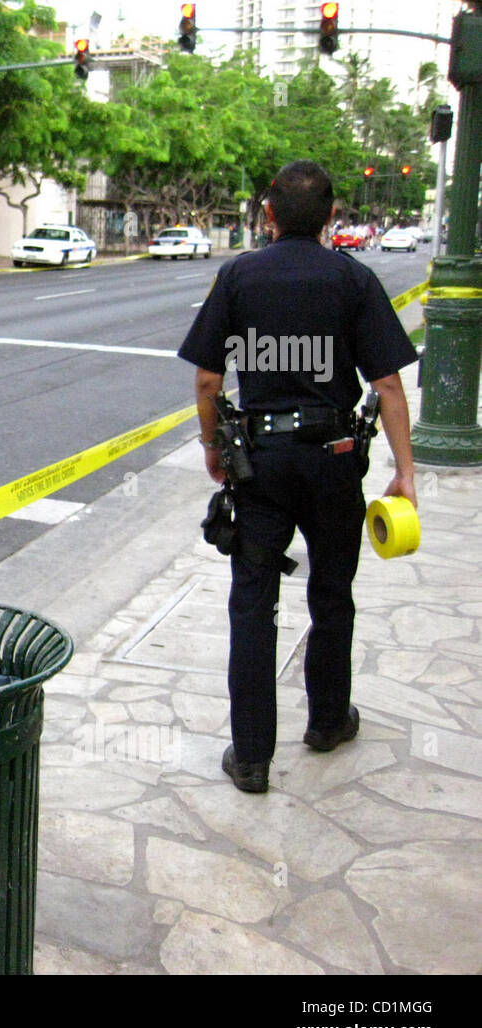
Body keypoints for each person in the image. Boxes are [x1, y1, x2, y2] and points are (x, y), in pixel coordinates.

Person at [177, 160, 418, 794]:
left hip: (261, 463)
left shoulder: (237, 276)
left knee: (253, 601)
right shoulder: (354, 279)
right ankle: (328, 722)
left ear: (267, 214)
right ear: (333, 215)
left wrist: (211, 448)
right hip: (336, 458)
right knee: (332, 593)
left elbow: (207, 379)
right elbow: (388, 382)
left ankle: (252, 757)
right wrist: (406, 475)